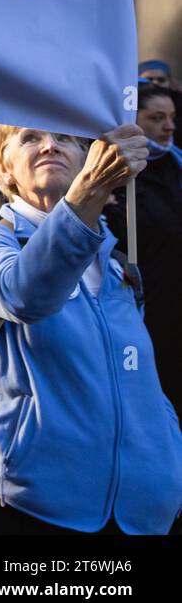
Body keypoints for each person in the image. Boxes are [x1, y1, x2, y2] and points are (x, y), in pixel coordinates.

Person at [0, 123, 182, 534]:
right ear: (5, 170)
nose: (49, 145)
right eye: (29, 138)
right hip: (35, 509)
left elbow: (140, 381)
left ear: (84, 159)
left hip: (142, 514)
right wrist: (89, 193)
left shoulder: (117, 264)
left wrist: (170, 455)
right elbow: (24, 295)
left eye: (65, 139)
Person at [128, 84, 182, 412]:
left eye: (172, 117)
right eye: (157, 117)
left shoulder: (174, 163)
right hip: (144, 307)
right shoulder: (119, 173)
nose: (169, 126)